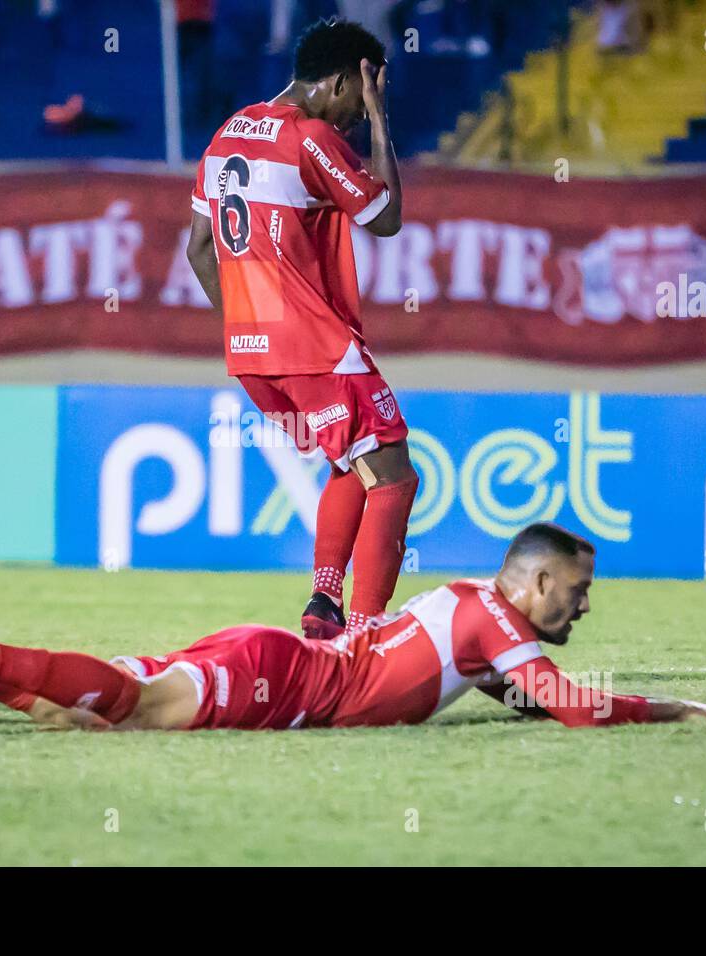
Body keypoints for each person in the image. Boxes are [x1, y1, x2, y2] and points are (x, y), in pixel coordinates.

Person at [0, 523, 706, 733]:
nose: (583, 606)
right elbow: (569, 708)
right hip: (285, 681)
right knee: (133, 712)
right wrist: (676, 708)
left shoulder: (472, 608)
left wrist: (519, 694)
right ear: (535, 581)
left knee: (79, 716)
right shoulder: (501, 622)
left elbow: (509, 689)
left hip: (272, 656)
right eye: (576, 590)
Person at [185, 17, 418, 640]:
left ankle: (324, 605)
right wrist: (382, 119)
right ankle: (369, 637)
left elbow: (199, 248)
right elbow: (387, 217)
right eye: (357, 100)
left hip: (255, 358)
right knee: (395, 477)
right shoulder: (309, 136)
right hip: (314, 346)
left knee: (350, 467)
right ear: (344, 81)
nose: (355, 118)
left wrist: (247, 329)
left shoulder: (229, 132)